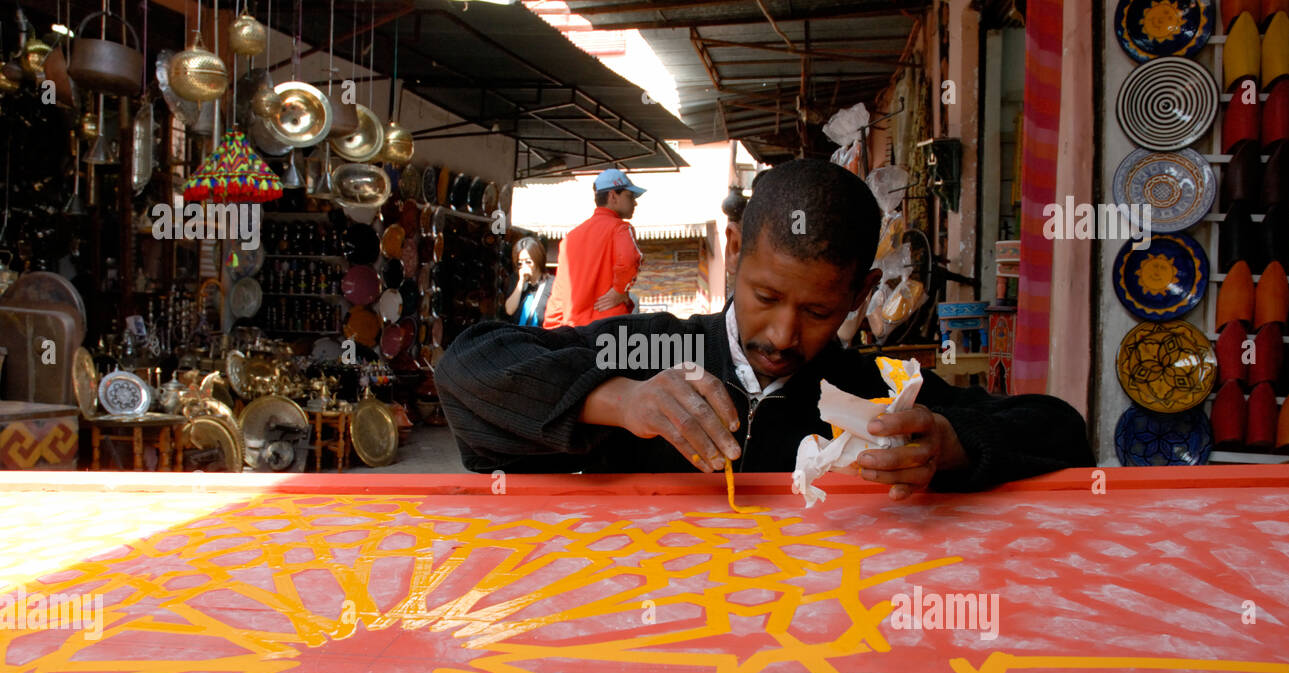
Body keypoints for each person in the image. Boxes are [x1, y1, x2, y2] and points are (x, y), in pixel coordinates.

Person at [437, 159, 1093, 500]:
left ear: (861, 295)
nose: (781, 335)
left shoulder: (878, 393)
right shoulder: (656, 349)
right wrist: (619, 400)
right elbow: (468, 370)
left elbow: (1060, 430)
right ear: (735, 251)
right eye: (765, 296)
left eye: (816, 312)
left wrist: (953, 445)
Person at [543, 168, 644, 328]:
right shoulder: (621, 228)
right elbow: (630, 259)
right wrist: (619, 290)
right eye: (630, 196)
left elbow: (558, 295)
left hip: (574, 333)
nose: (635, 202)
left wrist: (552, 330)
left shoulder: (570, 237)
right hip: (610, 330)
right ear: (613, 196)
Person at [503, 235, 553, 327]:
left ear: (538, 260)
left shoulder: (551, 284)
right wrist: (521, 282)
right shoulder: (515, 280)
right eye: (520, 263)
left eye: (528, 261)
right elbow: (509, 310)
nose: (524, 266)